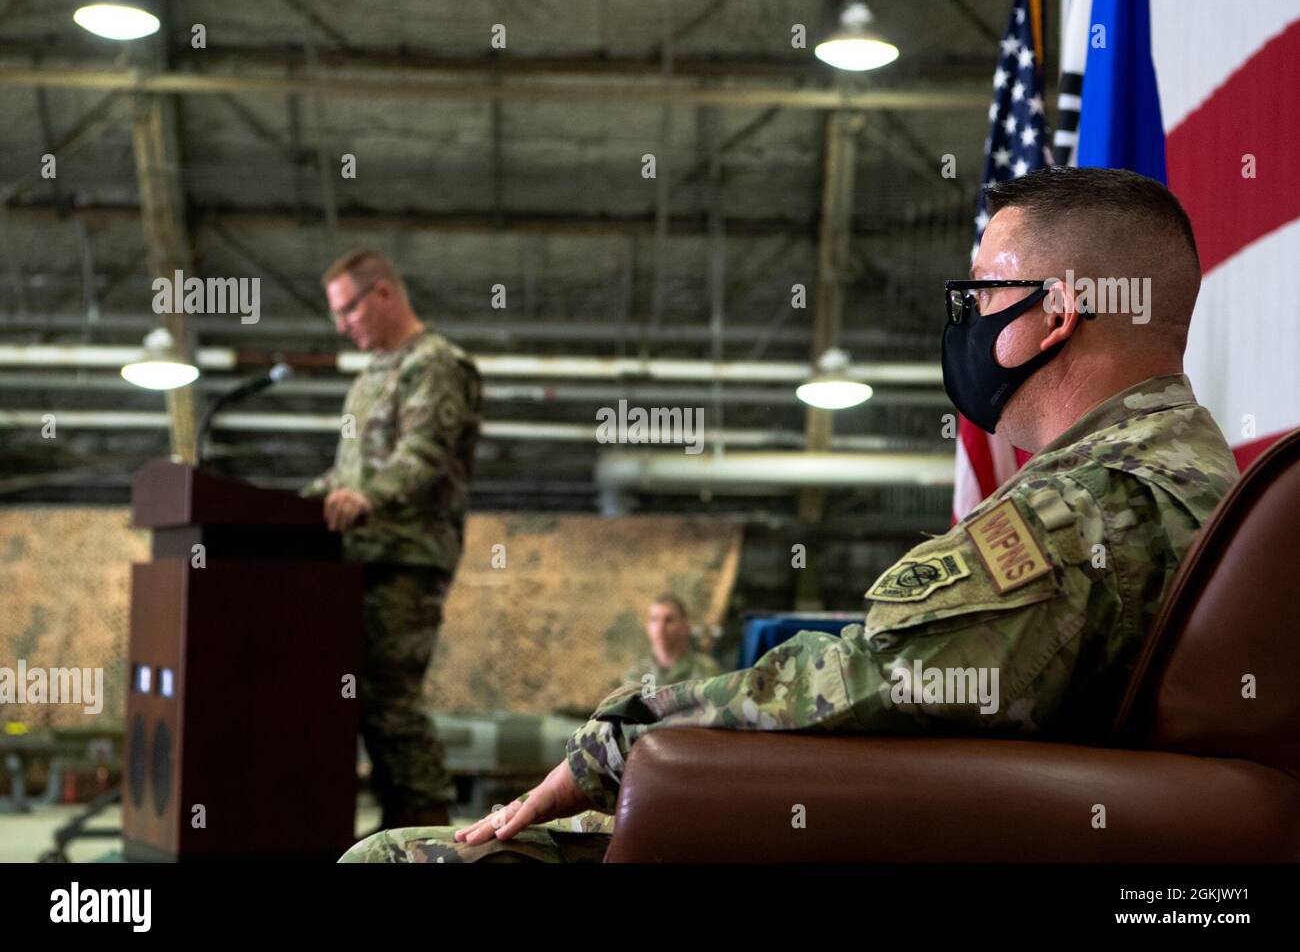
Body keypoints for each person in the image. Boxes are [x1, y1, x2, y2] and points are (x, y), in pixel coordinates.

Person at [340, 166, 1237, 863]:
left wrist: (612, 745)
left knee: (393, 854)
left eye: (983, 294)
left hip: (921, 835)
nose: (965, 320)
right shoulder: (1187, 477)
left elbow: (873, 685)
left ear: (1057, 318)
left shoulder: (1095, 504)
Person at [303, 249, 482, 830]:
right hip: (354, 560)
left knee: (392, 706)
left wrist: (368, 500)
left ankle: (425, 833)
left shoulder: (435, 363)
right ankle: (393, 833)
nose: (341, 324)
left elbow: (423, 455)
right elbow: (345, 475)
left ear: (382, 293)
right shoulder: (368, 378)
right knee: (360, 706)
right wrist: (292, 503)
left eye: (347, 308)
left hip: (405, 560)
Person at [618, 594, 723, 692]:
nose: (660, 627)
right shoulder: (635, 676)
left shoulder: (707, 672)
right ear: (648, 626)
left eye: (669, 620)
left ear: (685, 625)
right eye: (654, 619)